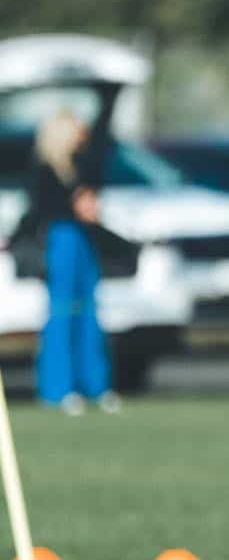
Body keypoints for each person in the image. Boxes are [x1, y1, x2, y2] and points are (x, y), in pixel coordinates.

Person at [23, 105, 121, 414]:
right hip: (61, 239)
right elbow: (40, 211)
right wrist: (74, 204)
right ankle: (58, 389)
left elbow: (104, 148)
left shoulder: (83, 166)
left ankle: (96, 385)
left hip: (84, 241)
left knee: (89, 313)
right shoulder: (44, 170)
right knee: (62, 313)